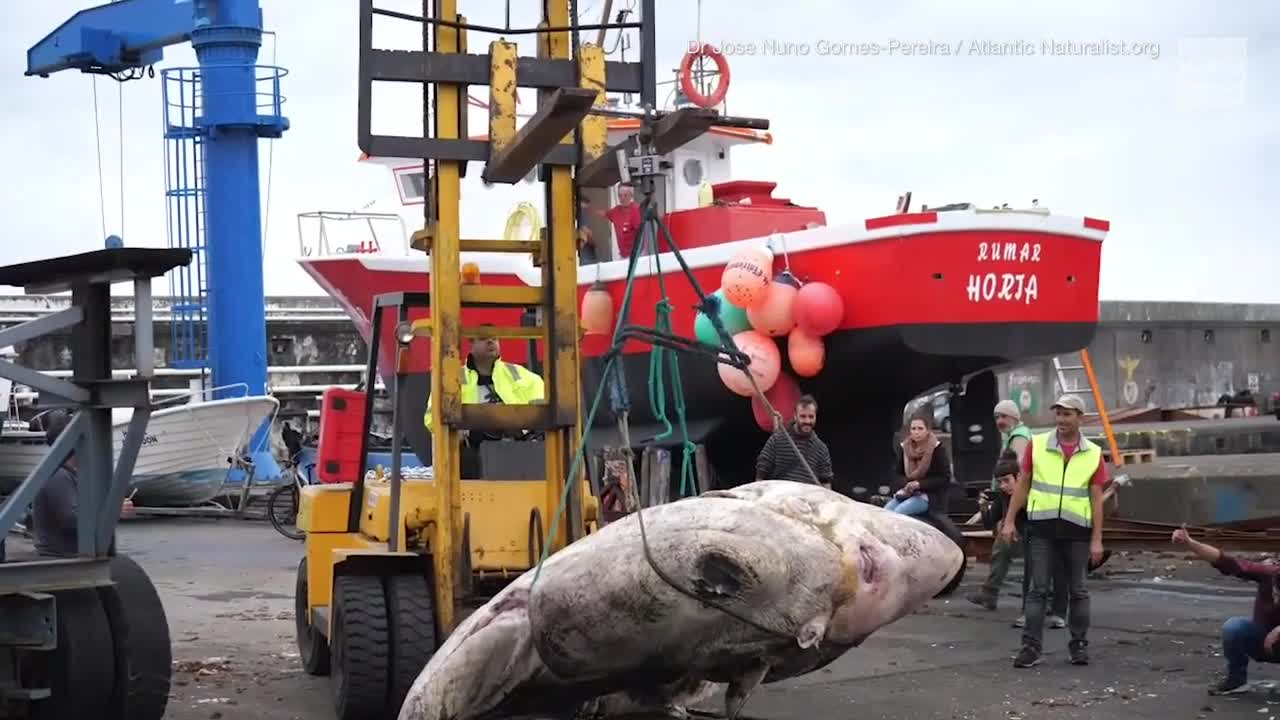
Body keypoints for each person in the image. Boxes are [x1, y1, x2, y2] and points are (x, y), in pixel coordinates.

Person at [1000, 394, 1107, 668]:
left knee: (1079, 591)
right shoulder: (1037, 446)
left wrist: (1097, 539)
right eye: (1058, 414)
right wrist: (1010, 520)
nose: (1061, 420)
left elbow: (1096, 499)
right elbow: (1023, 485)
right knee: (1037, 591)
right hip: (1042, 530)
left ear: (1079, 418)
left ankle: (1079, 646)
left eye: (1067, 414)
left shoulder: (1093, 454)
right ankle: (1030, 648)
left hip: (1077, 532)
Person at [1171, 524, 1280, 695]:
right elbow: (1226, 562)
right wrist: (1190, 543)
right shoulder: (1268, 573)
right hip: (1264, 643)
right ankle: (1236, 680)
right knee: (1234, 627)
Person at [988, 399, 1068, 628]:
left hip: (1044, 511)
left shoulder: (1021, 437)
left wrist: (1009, 514)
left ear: (1014, 417)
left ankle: (1049, 609)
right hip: (1028, 509)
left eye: (1003, 416)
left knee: (1045, 565)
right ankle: (1035, 610)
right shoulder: (1014, 437)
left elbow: (1023, 473)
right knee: (1035, 565)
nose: (999, 421)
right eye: (997, 417)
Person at [966, 451, 1069, 628]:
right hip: (1024, 538)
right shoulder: (1003, 497)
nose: (1004, 486)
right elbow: (989, 522)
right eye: (1000, 482)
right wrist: (983, 507)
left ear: (1019, 477)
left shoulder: (1036, 490)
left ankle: (1049, 604)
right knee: (1003, 545)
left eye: (1007, 480)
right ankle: (991, 593)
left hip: (1045, 537)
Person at [423, 330, 545, 476]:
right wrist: (458, 431)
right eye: (483, 338)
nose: (491, 342)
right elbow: (432, 417)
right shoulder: (452, 379)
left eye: (494, 338)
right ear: (471, 344)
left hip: (519, 449)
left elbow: (543, 411)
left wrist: (524, 428)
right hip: (470, 454)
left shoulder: (523, 376)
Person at [754, 395, 835, 489]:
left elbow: (826, 483)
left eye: (811, 416)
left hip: (806, 500)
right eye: (803, 416)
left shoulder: (821, 449)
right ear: (795, 416)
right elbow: (762, 471)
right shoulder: (777, 439)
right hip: (778, 497)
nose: (807, 421)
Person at [885, 415, 951, 516]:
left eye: (920, 428)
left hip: (929, 496)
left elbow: (944, 478)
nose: (916, 432)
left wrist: (919, 484)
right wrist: (907, 484)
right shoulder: (904, 448)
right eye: (913, 429)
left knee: (898, 513)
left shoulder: (937, 449)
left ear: (927, 430)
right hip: (907, 493)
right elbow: (896, 474)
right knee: (886, 512)